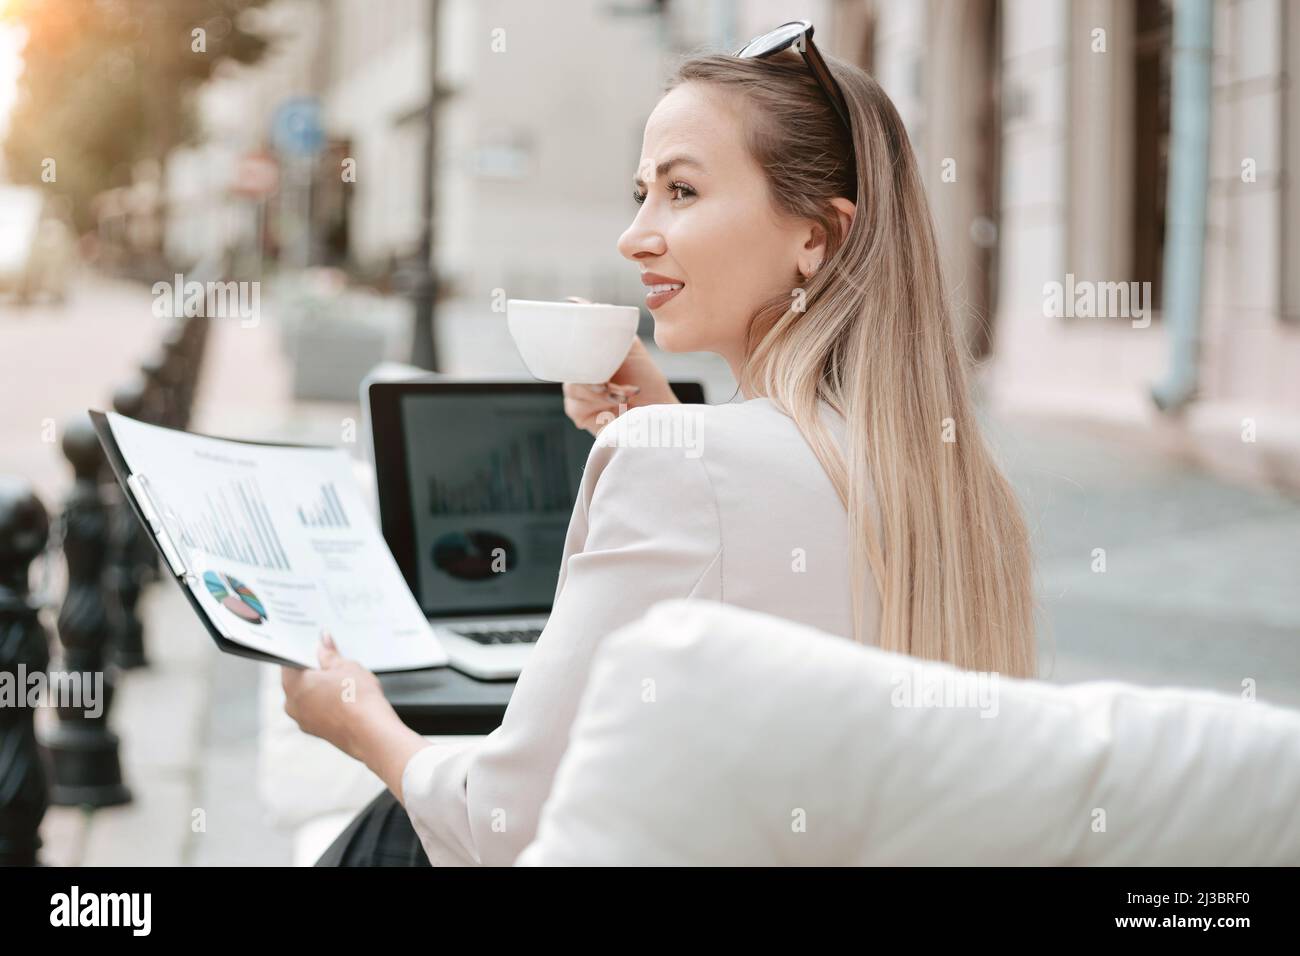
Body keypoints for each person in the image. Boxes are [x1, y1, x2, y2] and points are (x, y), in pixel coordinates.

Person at [285, 25, 1038, 867]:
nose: (634, 234)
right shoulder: (964, 490)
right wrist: (670, 421)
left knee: (393, 829)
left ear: (817, 238)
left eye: (681, 192)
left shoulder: (680, 465)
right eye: (642, 192)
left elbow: (503, 826)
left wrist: (361, 721)